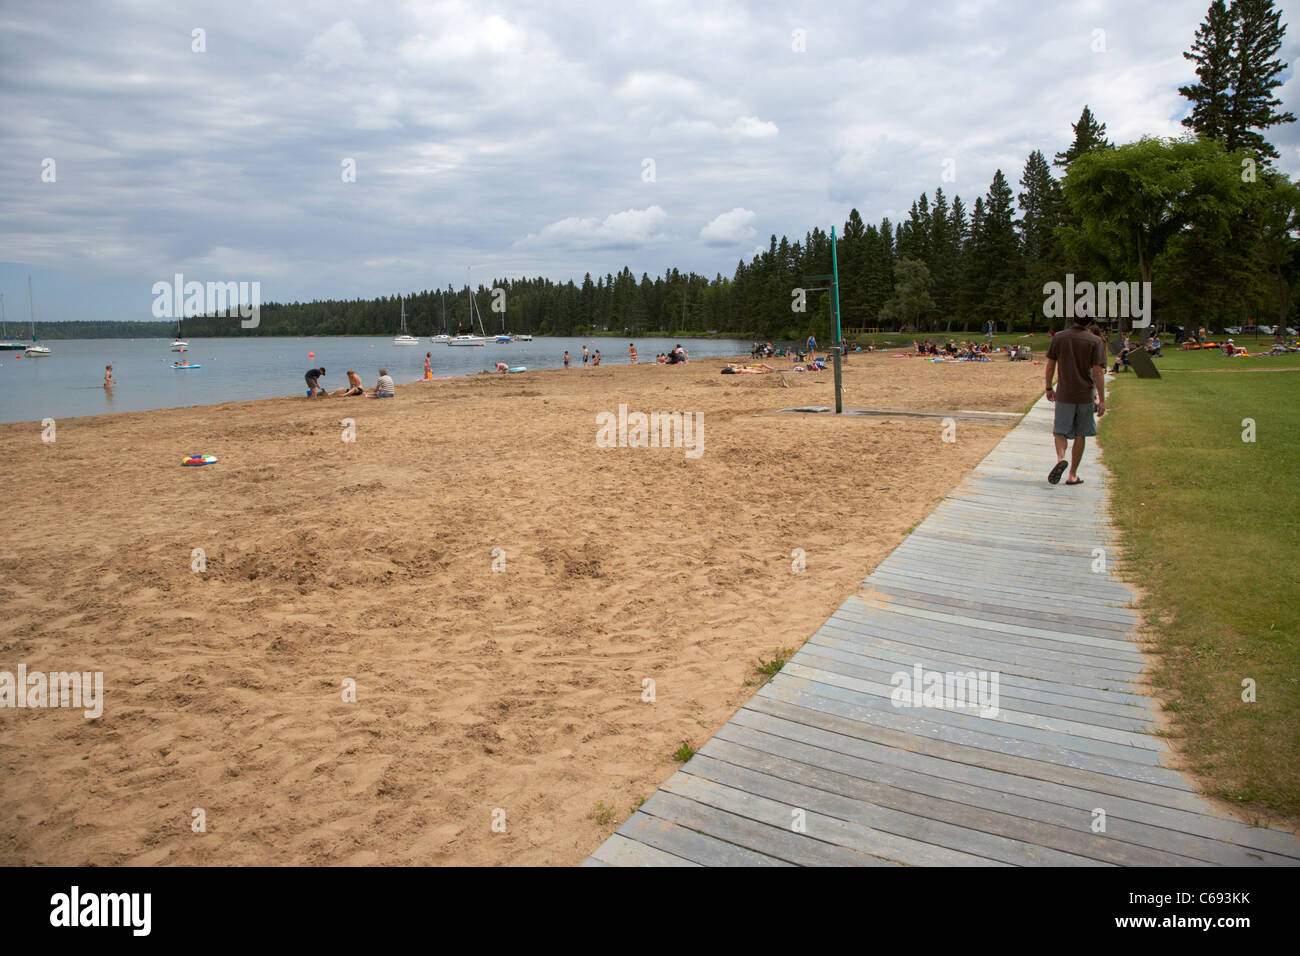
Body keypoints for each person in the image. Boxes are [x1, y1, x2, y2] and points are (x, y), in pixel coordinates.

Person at [1044, 308, 1107, 486]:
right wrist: (1101, 399)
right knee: (1081, 434)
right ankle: (1072, 474)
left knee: (1060, 431)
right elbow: (1098, 372)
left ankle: (1060, 458)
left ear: (1074, 317)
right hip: (1085, 394)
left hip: (1064, 392)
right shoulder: (1095, 341)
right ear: (1090, 321)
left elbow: (1050, 365)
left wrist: (1048, 387)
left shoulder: (1059, 337)